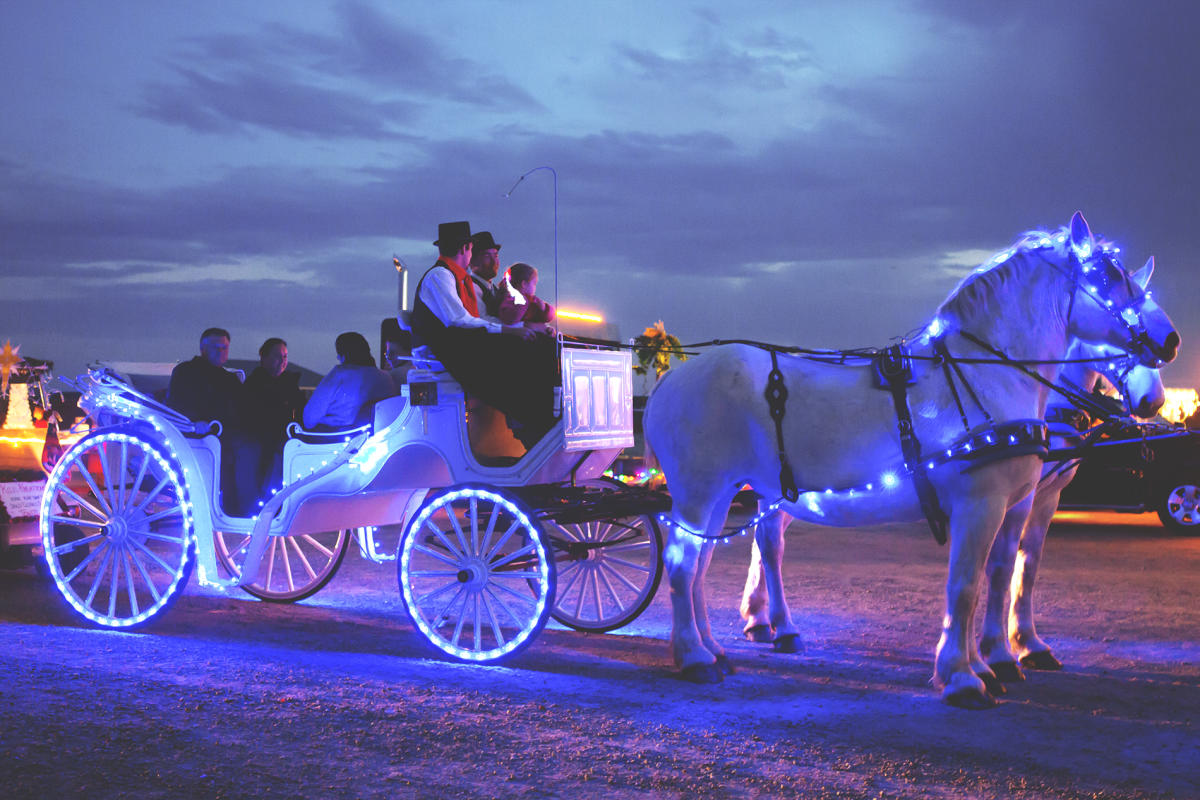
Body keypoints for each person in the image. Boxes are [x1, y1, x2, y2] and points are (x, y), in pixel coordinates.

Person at [410, 221, 557, 447]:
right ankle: (534, 421)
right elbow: (458, 320)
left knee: (540, 347)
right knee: (524, 353)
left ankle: (542, 415)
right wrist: (511, 330)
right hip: (447, 349)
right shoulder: (440, 276)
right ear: (465, 249)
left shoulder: (456, 278)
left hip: (460, 343)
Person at [167, 327, 255, 515]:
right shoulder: (186, 372)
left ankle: (247, 505)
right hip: (198, 433)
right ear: (203, 349)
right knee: (248, 449)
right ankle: (240, 508)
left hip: (229, 433)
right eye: (216, 347)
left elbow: (245, 409)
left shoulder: (229, 379)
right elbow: (176, 405)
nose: (221, 352)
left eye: (224, 348)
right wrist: (195, 422)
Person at [243, 337, 304, 495]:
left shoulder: (290, 383)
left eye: (285, 356)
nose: (283, 361)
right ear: (264, 357)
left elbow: (301, 409)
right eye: (278, 356)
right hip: (265, 438)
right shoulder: (252, 386)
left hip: (289, 436)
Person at [303, 332, 395, 430]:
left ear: (344, 355)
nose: (338, 358)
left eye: (339, 354)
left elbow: (309, 419)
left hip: (335, 435)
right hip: (375, 432)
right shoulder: (386, 378)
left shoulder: (339, 375)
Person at [468, 230, 503, 317]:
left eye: (496, 256)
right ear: (472, 261)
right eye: (487, 256)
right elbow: (481, 319)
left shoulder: (495, 289)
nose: (494, 262)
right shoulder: (471, 287)